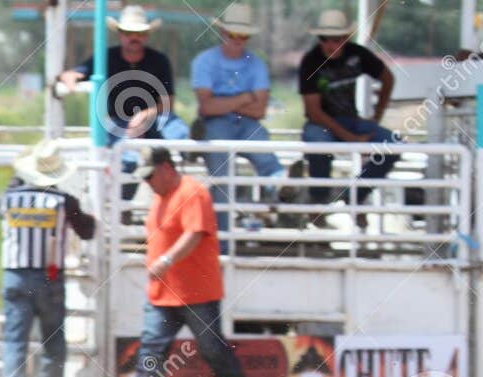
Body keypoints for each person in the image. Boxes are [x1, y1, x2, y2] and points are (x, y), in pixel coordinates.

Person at [131, 147, 255, 377]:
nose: (147, 182)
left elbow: (195, 234)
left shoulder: (192, 192)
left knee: (212, 350)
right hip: (164, 292)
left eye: (150, 176)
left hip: (196, 292)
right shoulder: (161, 197)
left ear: (165, 168)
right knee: (151, 350)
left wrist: (165, 259)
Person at [0, 140, 97, 377]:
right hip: (48, 278)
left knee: (15, 343)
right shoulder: (64, 201)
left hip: (15, 276)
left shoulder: (6, 199)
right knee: (53, 345)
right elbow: (88, 231)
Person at [56, 5, 188, 184]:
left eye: (139, 33)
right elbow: (77, 72)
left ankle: (185, 151)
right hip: (118, 121)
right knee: (128, 158)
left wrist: (144, 115)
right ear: (120, 34)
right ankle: (124, 204)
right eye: (128, 32)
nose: (134, 38)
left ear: (147, 35)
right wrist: (70, 76)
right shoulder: (105, 57)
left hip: (154, 118)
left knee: (179, 132)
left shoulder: (159, 60)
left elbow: (168, 103)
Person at [191, 3, 283, 232]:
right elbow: (206, 108)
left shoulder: (256, 64)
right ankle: (222, 237)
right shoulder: (205, 61)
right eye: (233, 34)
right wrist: (246, 97)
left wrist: (224, 103)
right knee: (222, 177)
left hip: (246, 125)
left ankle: (279, 202)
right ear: (223, 33)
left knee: (271, 165)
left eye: (243, 35)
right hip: (217, 125)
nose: (237, 39)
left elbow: (259, 111)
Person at [298, 9, 399, 206]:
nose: (330, 44)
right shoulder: (311, 61)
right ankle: (319, 200)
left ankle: (354, 196)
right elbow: (314, 112)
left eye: (335, 39)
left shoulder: (357, 54)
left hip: (347, 121)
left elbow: (388, 78)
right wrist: (352, 138)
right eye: (324, 39)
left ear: (344, 38)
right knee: (318, 144)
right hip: (323, 123)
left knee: (393, 145)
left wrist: (376, 116)